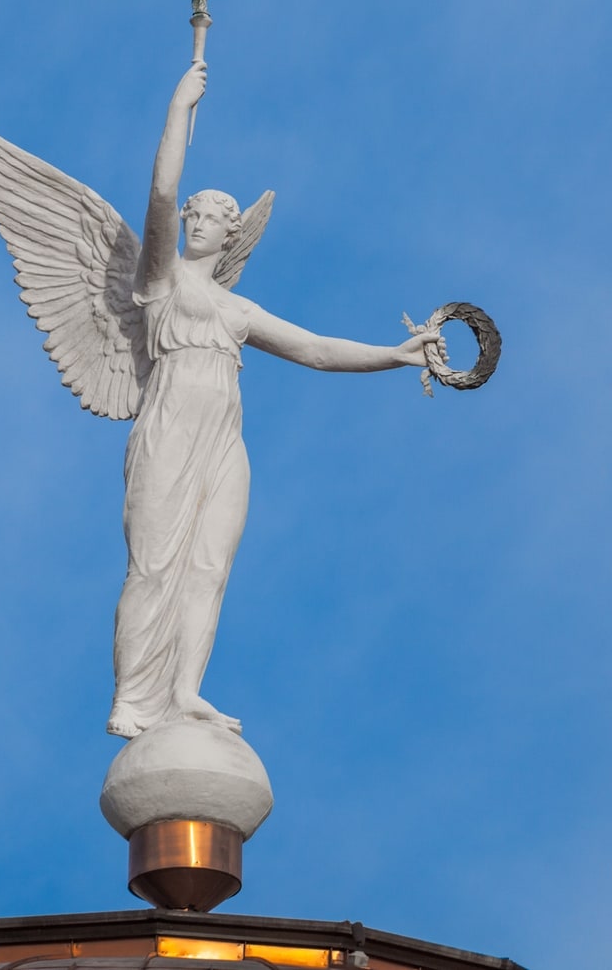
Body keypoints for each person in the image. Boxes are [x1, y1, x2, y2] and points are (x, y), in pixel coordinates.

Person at [106, 61, 436, 738]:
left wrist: (395, 355)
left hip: (225, 438)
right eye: (198, 212)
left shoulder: (238, 309)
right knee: (155, 561)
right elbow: (161, 189)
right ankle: (134, 698)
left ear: (231, 237)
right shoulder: (161, 281)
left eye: (218, 217)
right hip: (169, 424)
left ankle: (185, 689)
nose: (202, 220)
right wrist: (179, 105)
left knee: (209, 564)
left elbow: (315, 349)